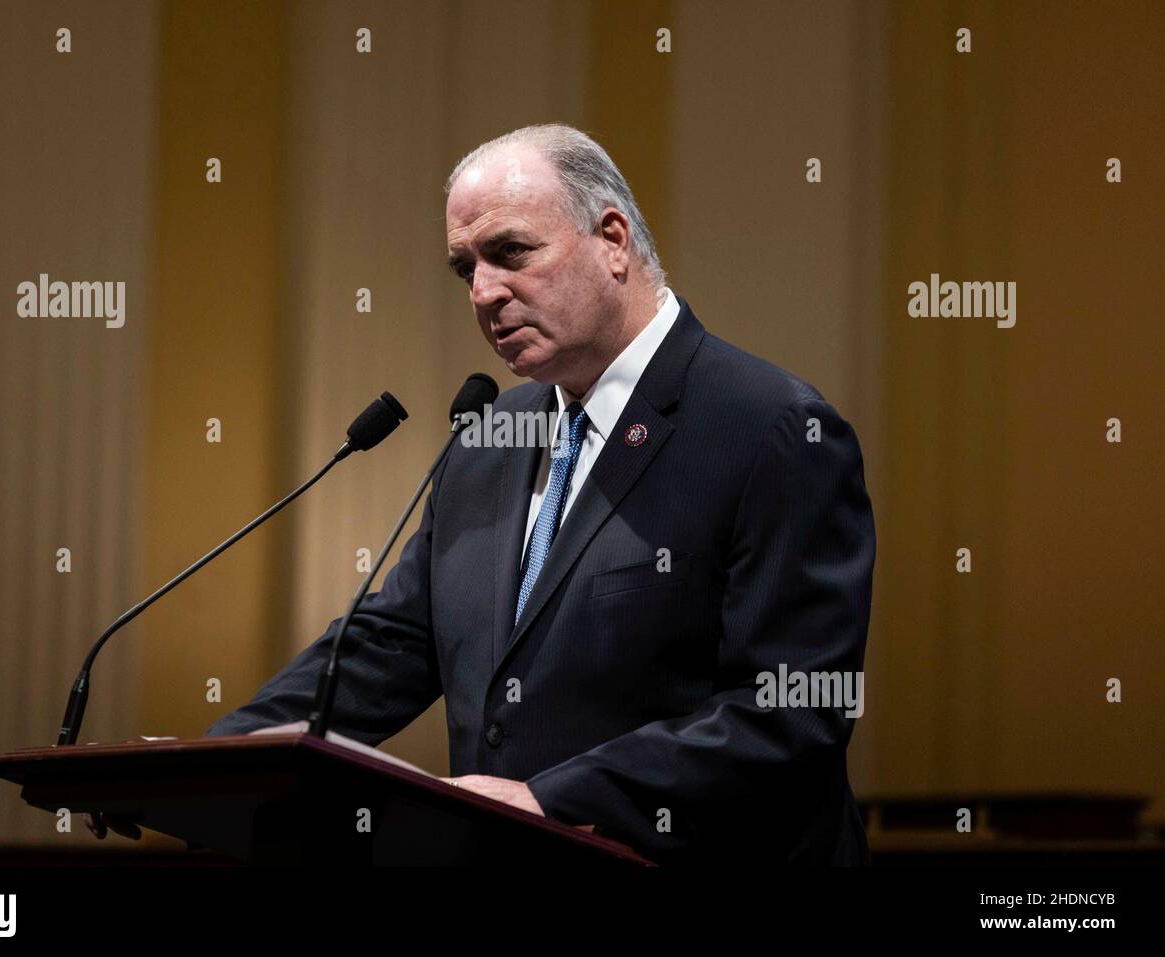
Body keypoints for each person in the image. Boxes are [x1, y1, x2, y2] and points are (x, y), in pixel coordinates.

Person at [207, 123, 876, 865]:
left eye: (510, 252)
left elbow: (793, 708)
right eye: (466, 269)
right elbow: (393, 642)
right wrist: (220, 759)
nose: (485, 292)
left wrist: (551, 801)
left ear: (613, 239)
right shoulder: (487, 439)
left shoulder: (772, 429)